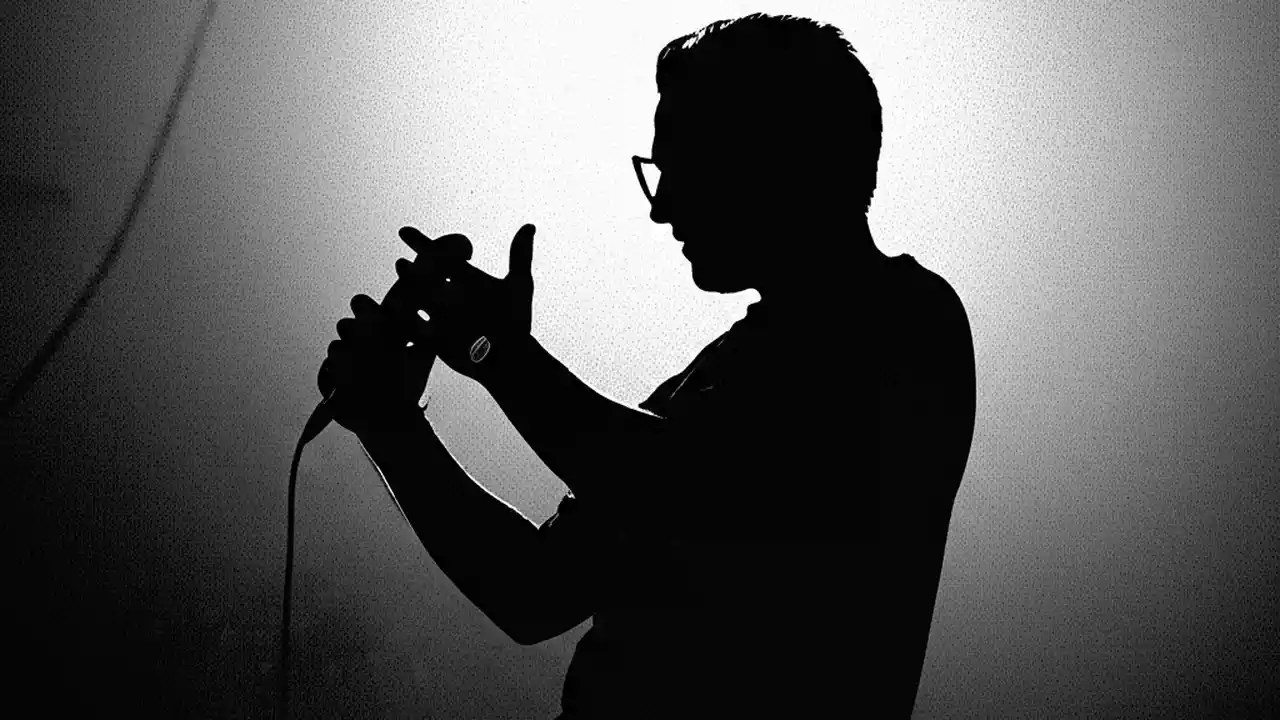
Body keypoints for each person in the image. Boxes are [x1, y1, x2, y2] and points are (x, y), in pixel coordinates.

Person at [318, 13, 975, 719]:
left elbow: (695, 495)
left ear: (769, 158)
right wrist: (391, 424)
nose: (661, 208)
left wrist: (502, 356)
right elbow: (534, 591)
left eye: (681, 169)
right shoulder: (708, 381)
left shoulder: (908, 321)